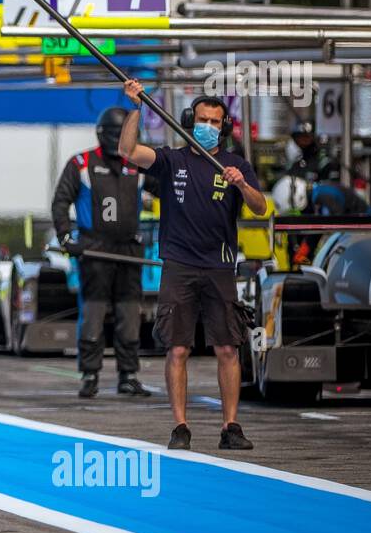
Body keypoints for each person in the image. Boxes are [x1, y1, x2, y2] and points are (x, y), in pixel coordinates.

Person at [118, 83, 268, 450]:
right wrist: (136, 107)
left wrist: (243, 185)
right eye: (202, 119)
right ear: (189, 121)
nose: (208, 126)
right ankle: (180, 426)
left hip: (219, 267)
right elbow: (128, 151)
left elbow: (260, 207)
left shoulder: (236, 165)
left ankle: (230, 426)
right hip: (179, 265)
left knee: (228, 348)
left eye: (215, 121)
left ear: (224, 126)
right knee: (179, 348)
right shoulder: (172, 159)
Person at [51, 106, 150, 398]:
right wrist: (67, 237)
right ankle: (90, 374)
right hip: (94, 249)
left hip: (130, 249)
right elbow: (60, 202)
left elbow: (171, 191)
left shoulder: (138, 164)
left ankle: (128, 375)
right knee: (93, 312)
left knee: (129, 312)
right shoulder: (81, 163)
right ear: (105, 135)